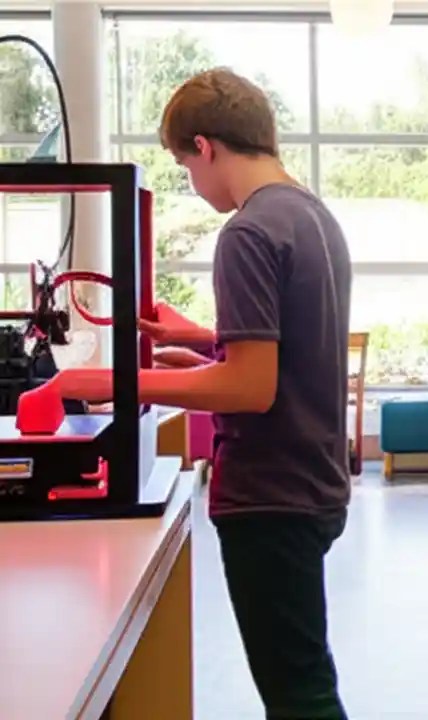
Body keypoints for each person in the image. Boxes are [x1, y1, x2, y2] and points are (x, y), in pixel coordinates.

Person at [55, 68, 354, 720]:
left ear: (205, 146)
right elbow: (294, 348)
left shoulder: (247, 231)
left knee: (298, 696)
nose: (191, 183)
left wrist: (108, 381)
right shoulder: (311, 215)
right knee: (304, 677)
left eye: (184, 165)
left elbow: (248, 386)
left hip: (270, 496)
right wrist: (210, 338)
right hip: (316, 485)